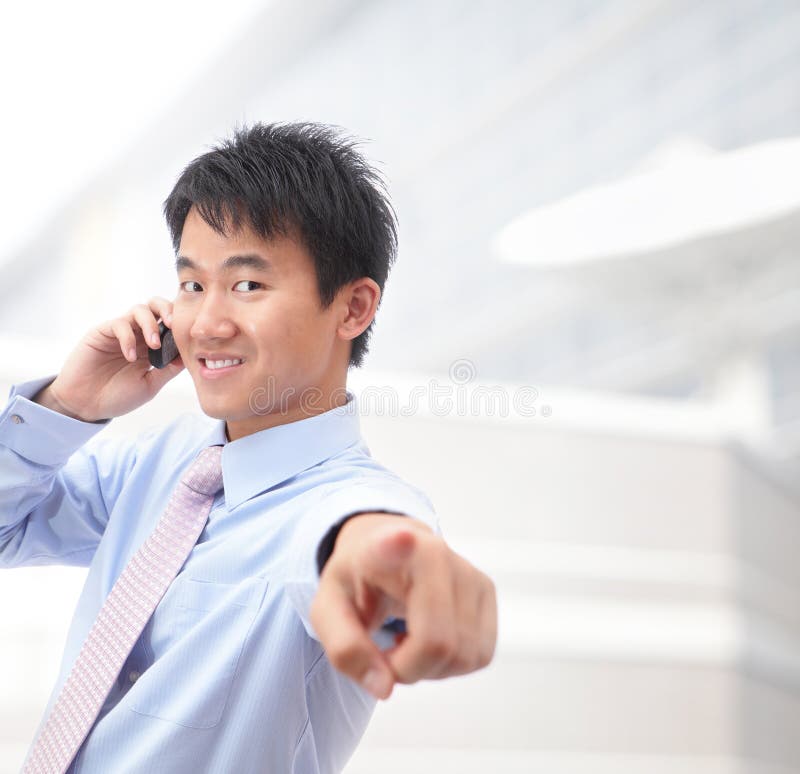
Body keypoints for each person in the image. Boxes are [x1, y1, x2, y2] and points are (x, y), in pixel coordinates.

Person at [0, 122, 497, 773]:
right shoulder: (162, 462)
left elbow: (359, 547)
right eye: (192, 285)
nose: (206, 324)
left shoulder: (358, 506)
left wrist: (393, 575)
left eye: (247, 286)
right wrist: (66, 406)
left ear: (352, 309)